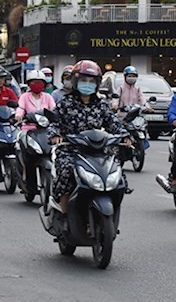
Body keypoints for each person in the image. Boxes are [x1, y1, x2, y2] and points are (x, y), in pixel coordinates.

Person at [48, 60, 129, 216]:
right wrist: (55, 135)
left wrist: (124, 135)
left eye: (91, 81)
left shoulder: (101, 105)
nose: (87, 84)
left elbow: (113, 122)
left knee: (117, 173)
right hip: (70, 149)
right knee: (66, 171)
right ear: (76, 81)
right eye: (84, 80)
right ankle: (64, 212)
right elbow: (54, 123)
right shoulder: (66, 103)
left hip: (97, 149)